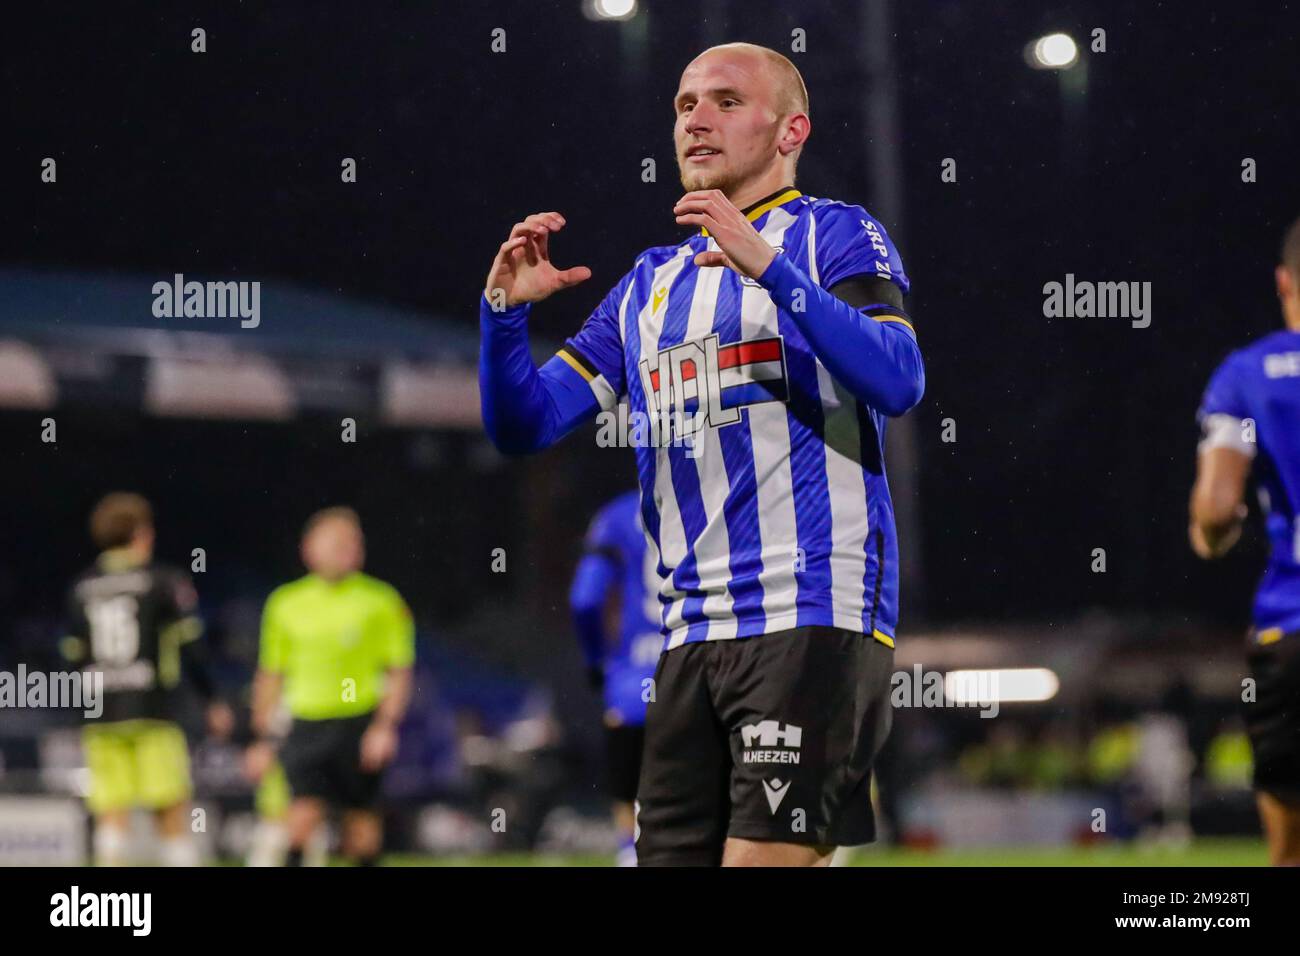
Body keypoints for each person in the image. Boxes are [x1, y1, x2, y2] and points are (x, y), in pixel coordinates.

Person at [479, 42, 924, 866]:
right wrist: (503, 315)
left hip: (812, 613)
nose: (695, 120)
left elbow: (898, 380)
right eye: (684, 105)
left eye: (724, 101)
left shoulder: (833, 234)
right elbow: (527, 425)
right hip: (688, 636)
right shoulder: (649, 284)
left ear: (791, 129)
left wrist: (770, 267)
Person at [1190, 214, 1300, 866]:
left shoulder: (1248, 373)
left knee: (1288, 854)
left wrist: (1211, 536)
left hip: (1289, 632)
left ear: (1285, 281)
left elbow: (1217, 505)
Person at [64, 492, 232, 866]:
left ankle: (109, 909)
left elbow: (74, 658)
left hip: (102, 713)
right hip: (153, 710)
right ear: (141, 533)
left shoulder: (80, 588)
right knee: (170, 806)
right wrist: (212, 700)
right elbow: (191, 647)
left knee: (111, 811)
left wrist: (79, 713)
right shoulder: (164, 581)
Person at [244, 507, 414, 866]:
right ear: (309, 549)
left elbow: (399, 671)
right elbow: (271, 674)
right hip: (306, 722)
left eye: (354, 544)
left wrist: (385, 727)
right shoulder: (285, 603)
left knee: (361, 824)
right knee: (301, 817)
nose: (349, 551)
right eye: (338, 543)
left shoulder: (382, 600)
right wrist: (260, 739)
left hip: (358, 721)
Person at [569, 489, 663, 865]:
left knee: (629, 796)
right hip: (698, 666)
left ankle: (630, 854)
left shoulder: (618, 515)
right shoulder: (714, 498)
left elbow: (585, 599)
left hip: (631, 686)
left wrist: (597, 660)